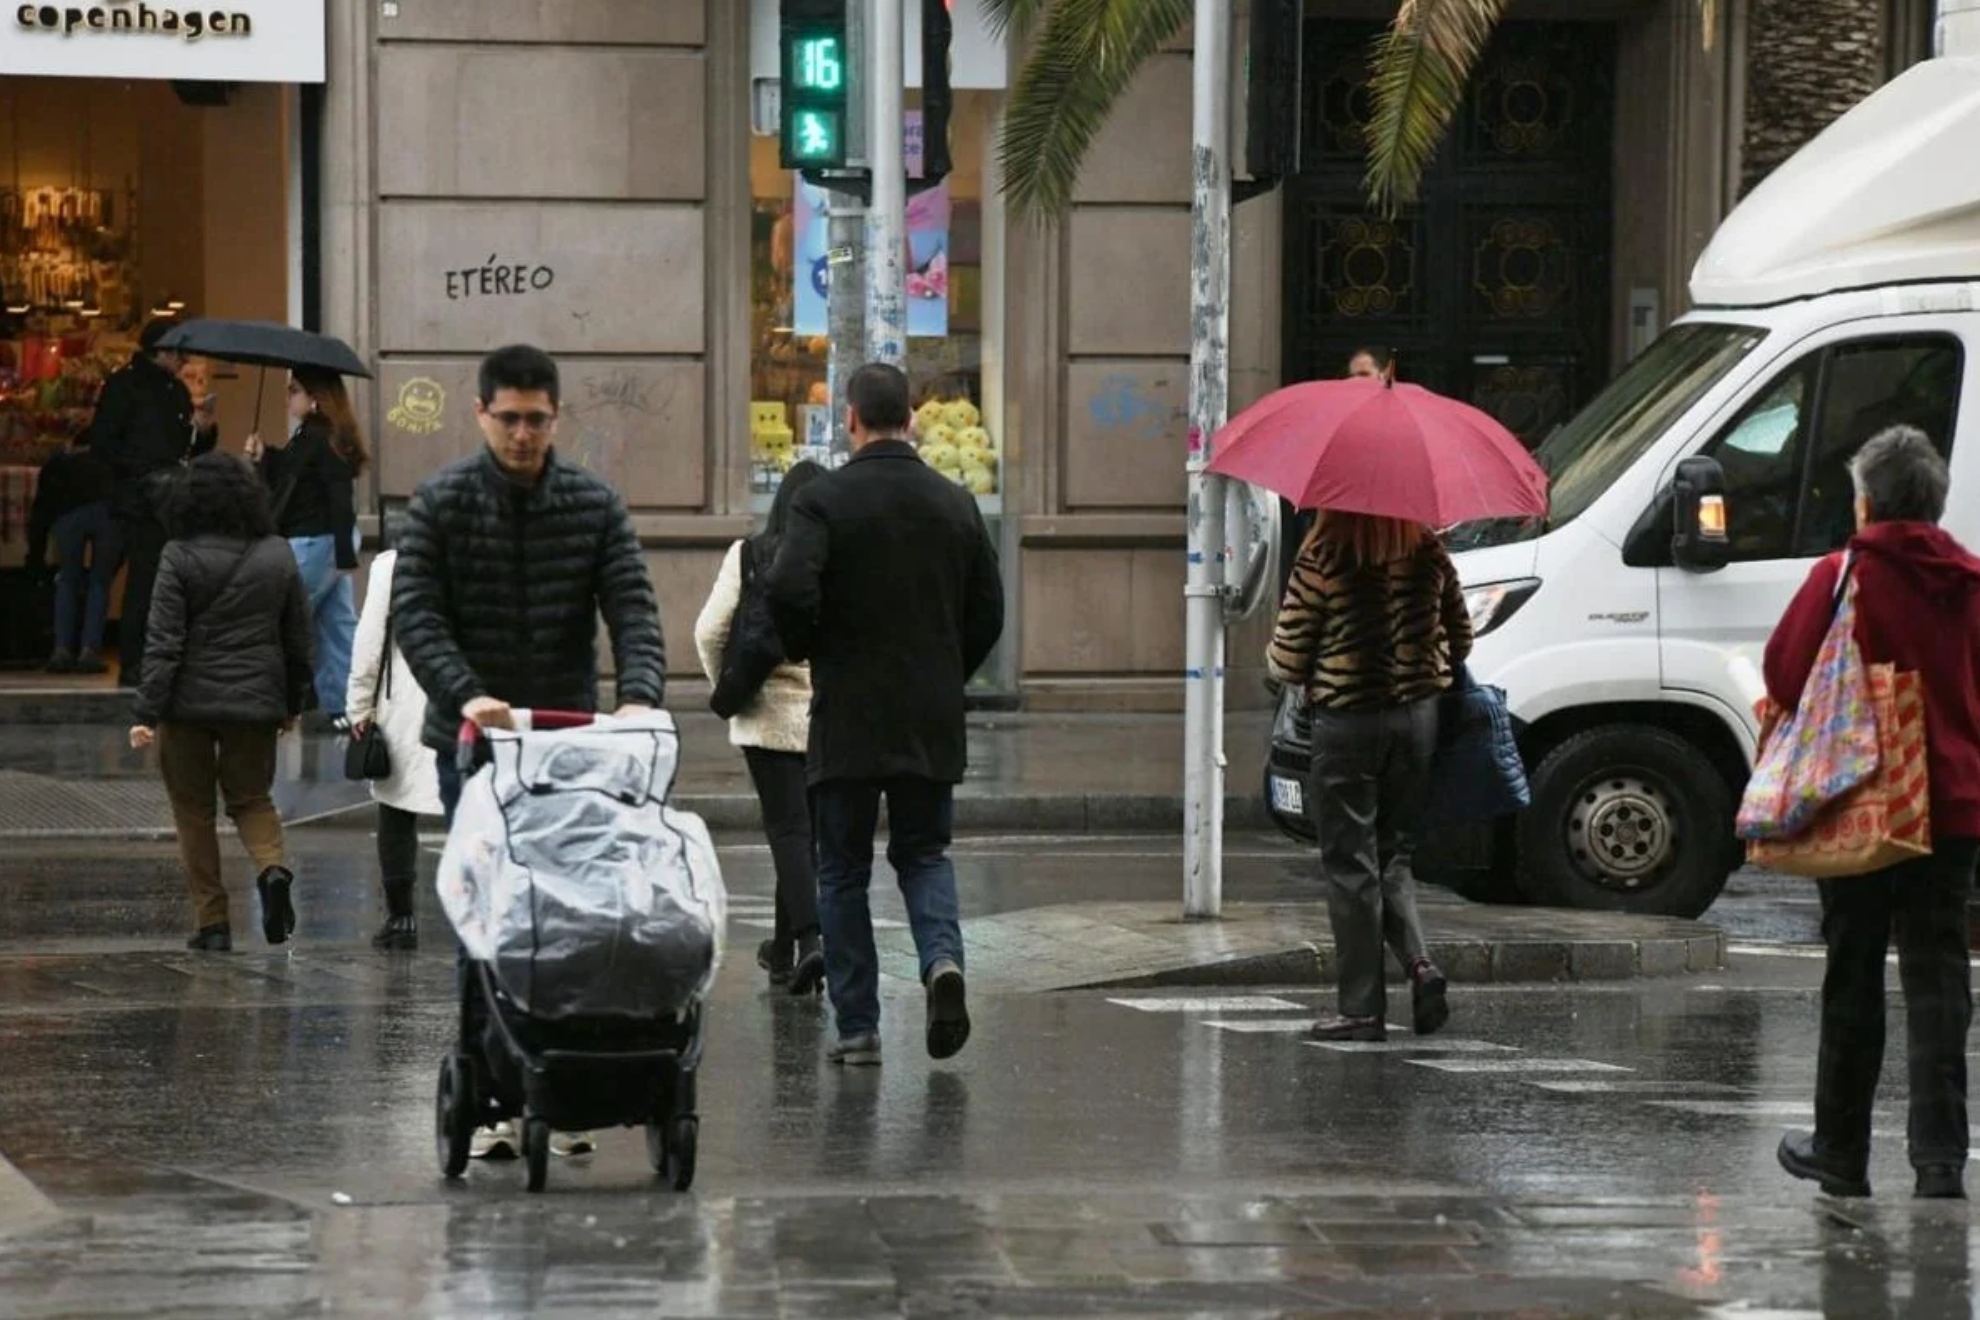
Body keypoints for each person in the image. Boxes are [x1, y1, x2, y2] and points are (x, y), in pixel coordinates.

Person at [394, 343, 667, 1160]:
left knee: (573, 909)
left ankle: (566, 1071)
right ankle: (491, 1076)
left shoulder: (592, 503)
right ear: (480, 414)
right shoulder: (441, 503)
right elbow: (418, 615)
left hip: (569, 744)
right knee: (489, 913)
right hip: (475, 744)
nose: (521, 434)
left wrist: (640, 696)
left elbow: (632, 604)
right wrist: (466, 693)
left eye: (536, 420)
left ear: (556, 418)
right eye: (507, 418)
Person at [764, 362, 1005, 1067]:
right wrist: (943, 670)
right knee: (924, 852)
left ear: (850, 419)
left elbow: (785, 588)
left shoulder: (824, 501)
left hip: (846, 713)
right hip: (928, 714)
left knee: (839, 867)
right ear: (913, 419)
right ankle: (940, 962)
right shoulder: (956, 503)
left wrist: (813, 650)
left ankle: (860, 1027)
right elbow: (988, 612)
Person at [1765, 426, 1980, 1202]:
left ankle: (1842, 1151)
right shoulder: (1971, 582)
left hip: (1860, 801)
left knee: (1852, 970)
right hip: (1952, 806)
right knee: (1940, 976)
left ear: (1866, 501)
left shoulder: (1842, 574)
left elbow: (1786, 677)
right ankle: (1940, 1161)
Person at [1267, 509, 1471, 1043]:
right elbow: (1463, 635)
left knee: (1351, 864)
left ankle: (1361, 1009)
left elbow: (1287, 660)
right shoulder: (1427, 548)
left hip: (1348, 722)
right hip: (1417, 719)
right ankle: (1421, 965)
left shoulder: (1325, 553)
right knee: (1393, 854)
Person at [128, 452, 313, 952]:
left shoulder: (178, 555)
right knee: (252, 799)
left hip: (186, 705)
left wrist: (147, 710)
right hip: (256, 700)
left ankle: (213, 924)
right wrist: (293, 700)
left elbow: (163, 641)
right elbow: (298, 636)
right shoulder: (277, 552)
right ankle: (273, 869)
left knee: (193, 810)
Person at [694, 460, 828, 996]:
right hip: (824, 713)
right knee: (803, 836)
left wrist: (732, 682)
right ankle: (783, 953)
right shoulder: (834, 558)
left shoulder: (748, 553)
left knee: (787, 832)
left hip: (767, 716)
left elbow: (709, 631)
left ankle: (811, 940)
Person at [88, 317, 218, 687]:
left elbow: (187, 447)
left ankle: (160, 659)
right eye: (179, 352)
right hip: (140, 501)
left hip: (169, 497)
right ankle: (136, 662)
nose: (185, 359)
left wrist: (204, 430)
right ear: (161, 351)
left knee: (168, 583)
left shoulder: (172, 391)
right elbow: (104, 445)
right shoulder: (125, 387)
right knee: (145, 581)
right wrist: (139, 475)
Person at [246, 369, 364, 729]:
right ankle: (345, 707)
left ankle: (267, 699)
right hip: (325, 541)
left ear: (315, 396)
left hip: (316, 542)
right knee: (335, 624)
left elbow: (338, 495)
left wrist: (345, 553)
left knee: (283, 619)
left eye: (294, 390)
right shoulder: (315, 436)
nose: (288, 397)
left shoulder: (319, 437)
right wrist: (264, 456)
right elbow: (292, 474)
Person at [345, 532, 442, 953]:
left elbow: (370, 642)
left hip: (406, 700)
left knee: (397, 809)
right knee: (477, 808)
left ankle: (401, 918)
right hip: (476, 701)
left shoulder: (393, 565)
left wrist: (359, 707)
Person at [27, 431, 120, 673]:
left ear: (72, 444)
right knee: (99, 582)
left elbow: (41, 510)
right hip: (106, 516)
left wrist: (35, 554)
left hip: (66, 517)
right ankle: (90, 649)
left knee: (67, 579)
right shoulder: (109, 460)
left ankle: (61, 650)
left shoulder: (56, 465)